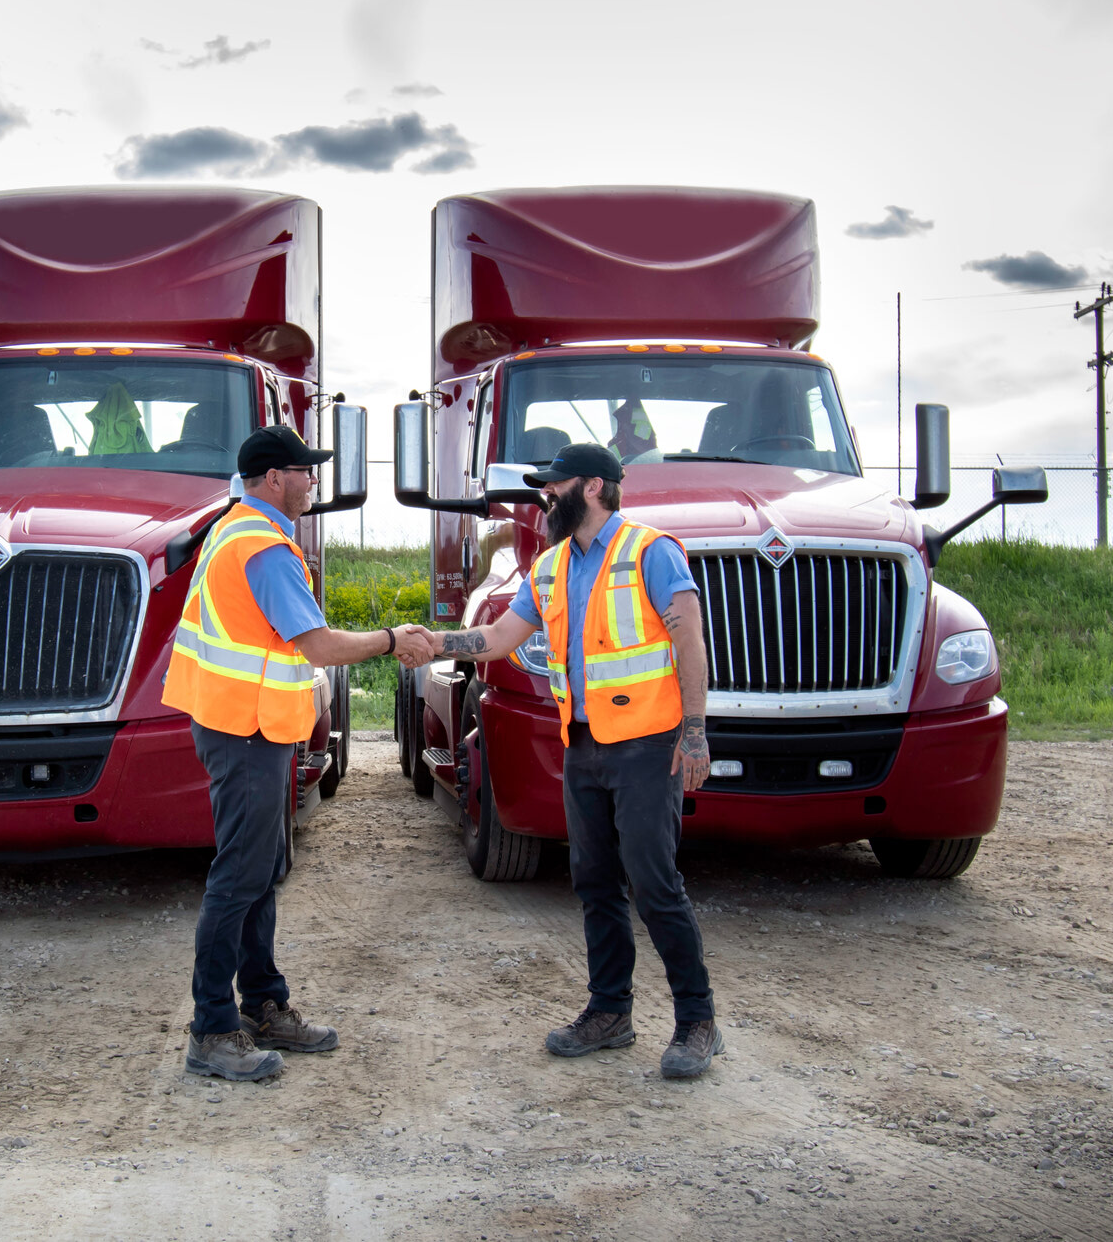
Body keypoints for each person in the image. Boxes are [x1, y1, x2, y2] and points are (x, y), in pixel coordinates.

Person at [422, 442, 725, 1079]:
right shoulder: (553, 566)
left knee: (654, 883)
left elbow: (689, 640)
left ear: (593, 487)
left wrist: (694, 733)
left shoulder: (652, 551)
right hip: (583, 746)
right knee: (593, 883)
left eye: (554, 487)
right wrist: (431, 642)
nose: (543, 498)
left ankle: (697, 1021)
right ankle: (610, 1012)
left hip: (647, 748)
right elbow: (501, 636)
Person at [163, 424, 434, 1081]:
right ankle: (212, 1027)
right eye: (306, 469)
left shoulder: (235, 530)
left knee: (261, 869)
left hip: (247, 726)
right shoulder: (263, 546)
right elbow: (317, 646)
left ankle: (262, 1002)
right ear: (276, 477)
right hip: (246, 730)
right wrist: (392, 636)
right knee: (239, 877)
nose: (314, 478)